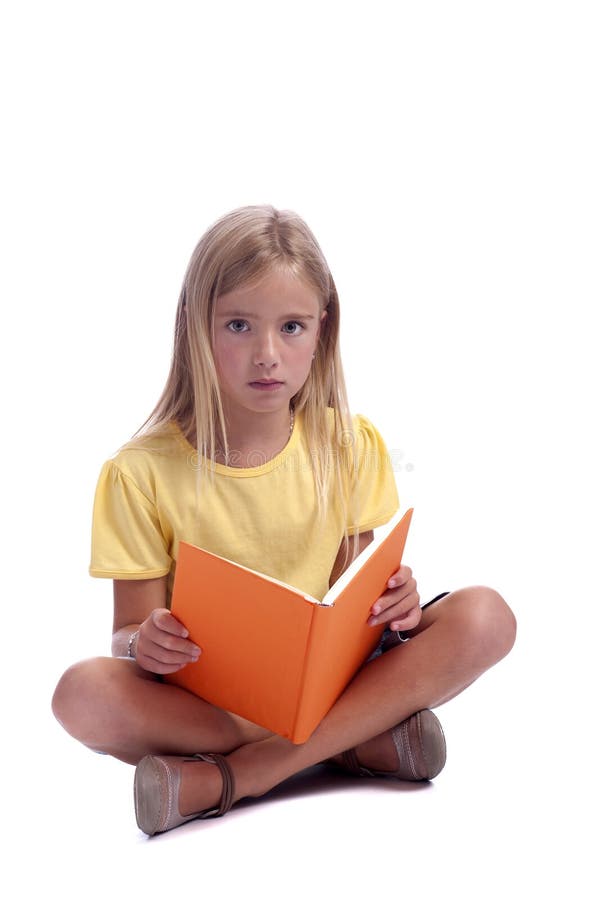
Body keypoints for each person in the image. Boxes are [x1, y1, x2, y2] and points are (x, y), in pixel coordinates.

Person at [52, 205, 517, 836]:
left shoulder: (349, 444)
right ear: (196, 328)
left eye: (292, 327)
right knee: (81, 694)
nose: (267, 354)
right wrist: (144, 643)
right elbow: (126, 633)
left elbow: (348, 605)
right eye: (239, 325)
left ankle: (246, 776)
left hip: (326, 685)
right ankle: (352, 743)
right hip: (212, 704)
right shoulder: (139, 473)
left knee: (485, 614)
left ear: (322, 331)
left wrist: (395, 602)